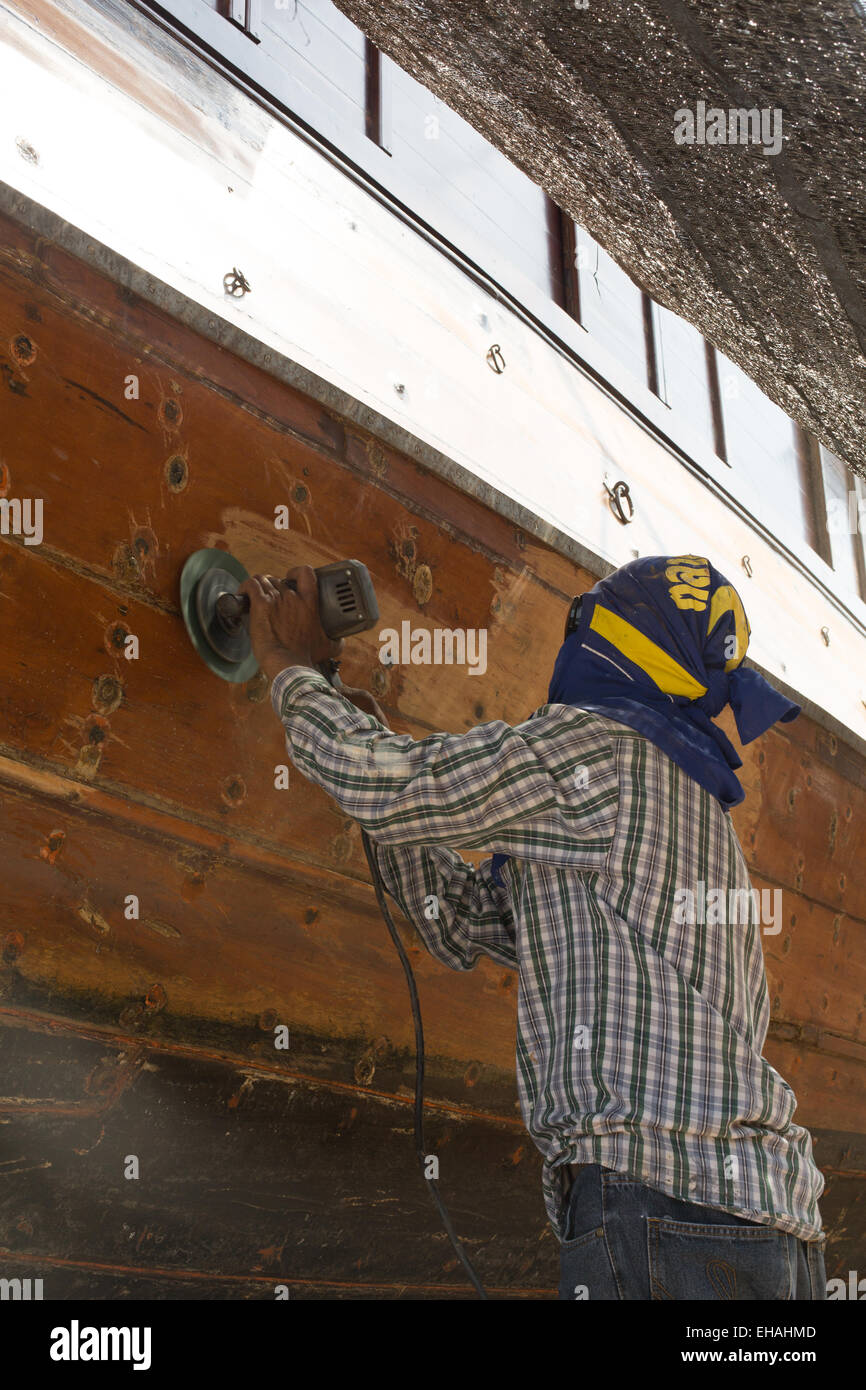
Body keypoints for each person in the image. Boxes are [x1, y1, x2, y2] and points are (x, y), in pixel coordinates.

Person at [238, 553, 827, 1301]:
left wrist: (285, 663)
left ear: (612, 638)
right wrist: (349, 716)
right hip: (769, 1232)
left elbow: (385, 782)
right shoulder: (689, 806)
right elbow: (460, 920)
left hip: (666, 1215)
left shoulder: (597, 750)